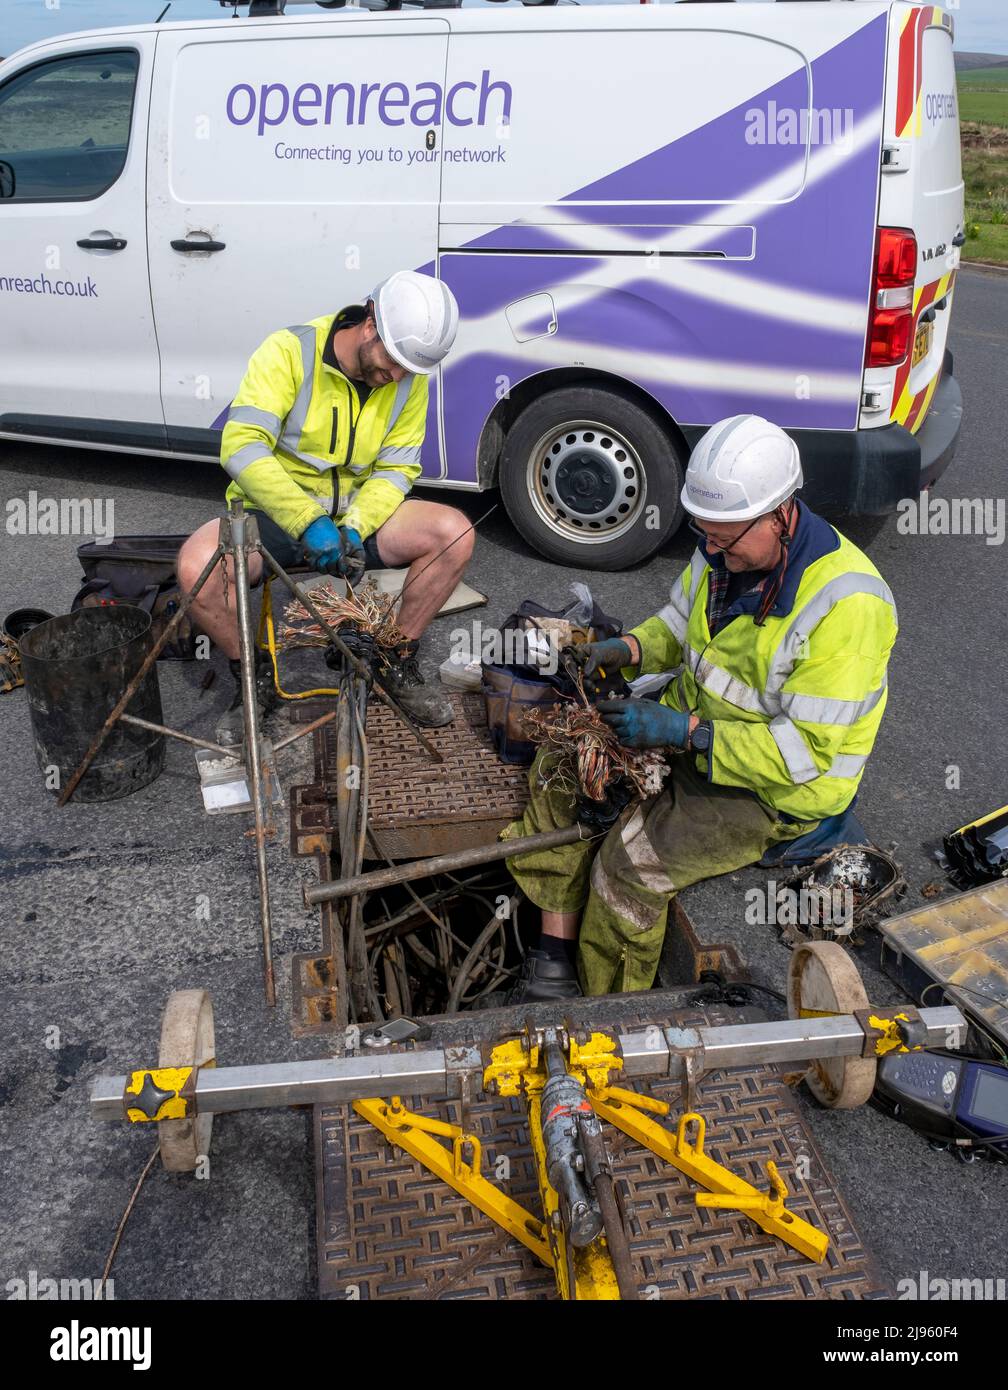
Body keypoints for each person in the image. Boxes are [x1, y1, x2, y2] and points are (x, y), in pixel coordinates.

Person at [502, 413, 899, 1001]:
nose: (711, 550)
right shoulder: (723, 552)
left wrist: (686, 732)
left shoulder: (848, 606)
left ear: (780, 515)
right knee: (562, 773)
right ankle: (553, 962)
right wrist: (626, 649)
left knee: (628, 869)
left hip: (771, 792)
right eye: (704, 535)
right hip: (690, 737)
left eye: (725, 538)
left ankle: (610, 1009)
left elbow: (804, 756)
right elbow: (675, 627)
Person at [177, 270, 470, 740]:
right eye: (393, 361)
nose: (396, 377)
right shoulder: (289, 351)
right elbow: (242, 445)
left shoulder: (405, 381)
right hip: (273, 515)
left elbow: (396, 471)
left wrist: (355, 526)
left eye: (408, 370)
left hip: (353, 517)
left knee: (453, 533)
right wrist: (308, 519)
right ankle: (253, 680)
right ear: (370, 324)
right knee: (197, 567)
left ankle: (392, 660)